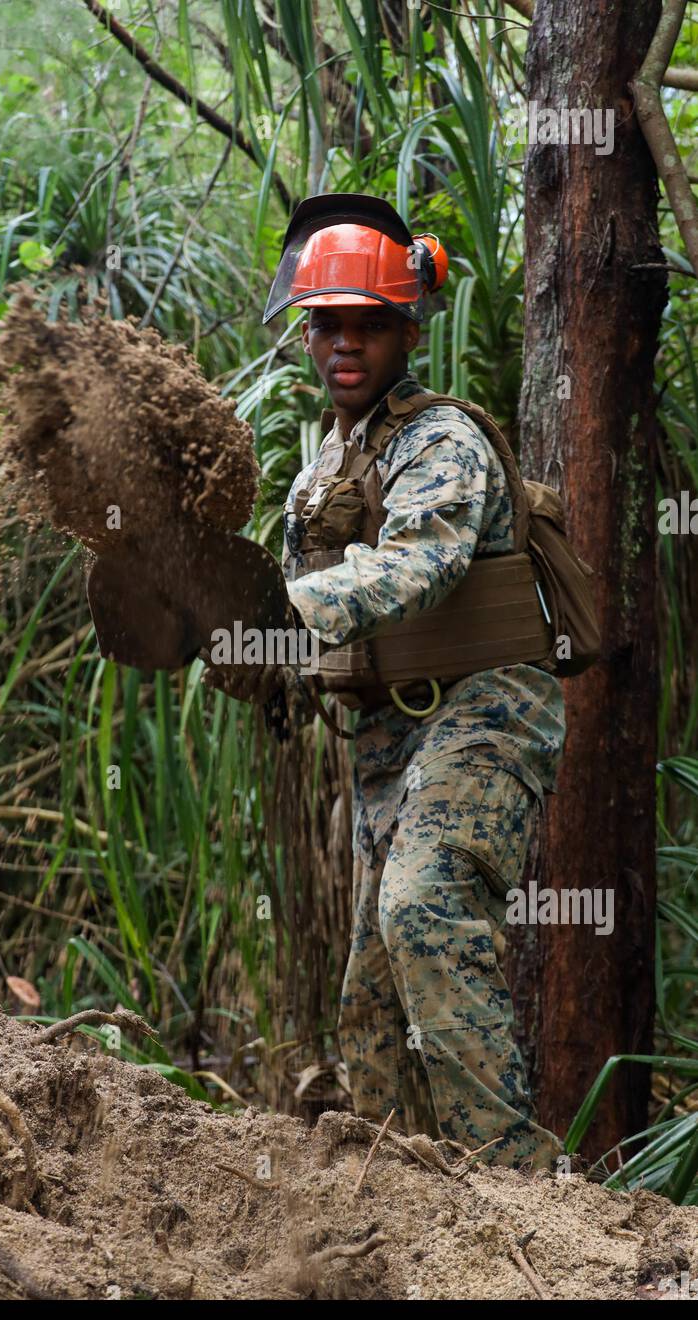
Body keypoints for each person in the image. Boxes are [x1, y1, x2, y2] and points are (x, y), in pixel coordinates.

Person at [207, 194, 566, 1168]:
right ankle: (403, 1208)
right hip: (383, 746)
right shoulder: (318, 474)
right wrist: (236, 644)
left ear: (406, 329)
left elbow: (420, 566)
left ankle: (513, 1179)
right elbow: (292, 625)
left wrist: (285, 613)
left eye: (367, 323)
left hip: (483, 708)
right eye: (327, 324)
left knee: (422, 906)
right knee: (367, 1006)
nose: (344, 345)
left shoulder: (439, 440)